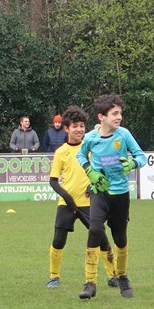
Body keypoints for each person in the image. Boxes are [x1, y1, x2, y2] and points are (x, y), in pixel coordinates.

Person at [75, 94, 147, 300]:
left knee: (120, 238)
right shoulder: (91, 138)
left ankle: (122, 276)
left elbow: (142, 156)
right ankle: (90, 283)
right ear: (101, 117)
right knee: (95, 230)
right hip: (100, 192)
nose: (119, 117)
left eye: (120, 113)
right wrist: (90, 171)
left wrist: (133, 163)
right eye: (114, 114)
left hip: (121, 194)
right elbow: (80, 155)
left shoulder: (124, 135)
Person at [45, 106, 119, 290]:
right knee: (58, 240)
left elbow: (103, 170)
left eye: (82, 126)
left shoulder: (91, 147)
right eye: (75, 126)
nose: (79, 129)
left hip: (90, 203)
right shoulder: (61, 152)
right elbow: (53, 181)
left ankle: (113, 275)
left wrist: (93, 186)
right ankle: (54, 277)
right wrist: (68, 199)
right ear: (66, 129)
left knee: (102, 239)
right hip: (66, 204)